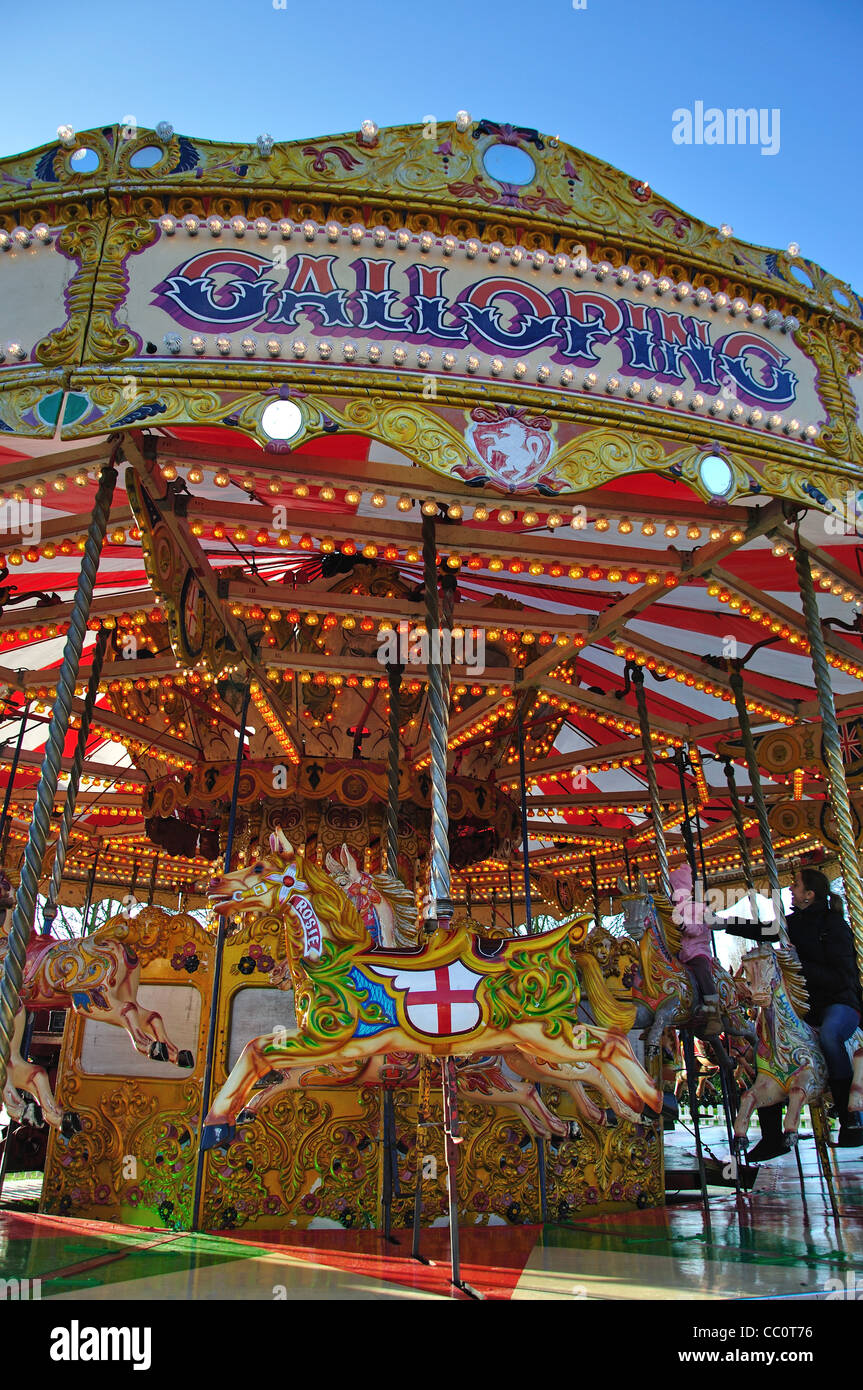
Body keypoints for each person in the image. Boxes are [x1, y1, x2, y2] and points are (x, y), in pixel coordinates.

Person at [721, 867, 863, 1159]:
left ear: (810, 895)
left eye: (796, 886)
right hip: (805, 1005)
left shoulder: (834, 927)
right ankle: (772, 1136)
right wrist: (723, 922)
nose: (790, 890)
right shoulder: (792, 923)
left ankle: (849, 1113)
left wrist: (798, 964)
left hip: (839, 1002)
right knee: (769, 1048)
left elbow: (843, 976)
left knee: (832, 1036)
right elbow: (762, 928)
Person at [670, 862, 721, 1034]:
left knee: (701, 972)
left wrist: (683, 925)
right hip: (681, 954)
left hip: (698, 951)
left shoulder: (697, 907)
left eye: (675, 888)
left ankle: (714, 1015)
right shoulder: (674, 909)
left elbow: (697, 929)